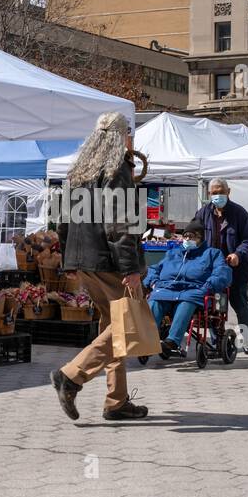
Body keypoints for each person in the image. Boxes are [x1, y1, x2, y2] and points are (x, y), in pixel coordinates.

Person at [50, 112, 148, 423]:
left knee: (112, 327)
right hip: (109, 262)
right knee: (127, 324)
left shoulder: (77, 170)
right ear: (121, 136)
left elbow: (59, 220)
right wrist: (131, 267)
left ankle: (116, 401)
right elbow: (119, 224)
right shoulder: (115, 168)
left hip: (83, 261)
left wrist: (69, 259)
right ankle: (71, 376)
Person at [143, 219, 232, 357]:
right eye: (185, 236)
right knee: (155, 299)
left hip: (194, 291)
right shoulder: (173, 253)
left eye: (191, 236)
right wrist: (153, 282)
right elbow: (154, 269)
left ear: (200, 238)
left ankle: (172, 342)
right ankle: (147, 341)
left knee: (187, 301)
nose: (187, 239)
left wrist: (207, 287)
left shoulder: (212, 254)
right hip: (168, 289)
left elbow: (222, 273)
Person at [194, 178, 248, 353]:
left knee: (239, 303)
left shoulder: (239, 213)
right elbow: (193, 235)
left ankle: (246, 341)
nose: (218, 195)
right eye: (214, 192)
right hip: (213, 270)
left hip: (236, 270)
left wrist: (238, 254)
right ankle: (218, 341)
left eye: (221, 192)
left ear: (228, 192)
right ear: (209, 194)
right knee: (216, 306)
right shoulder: (203, 214)